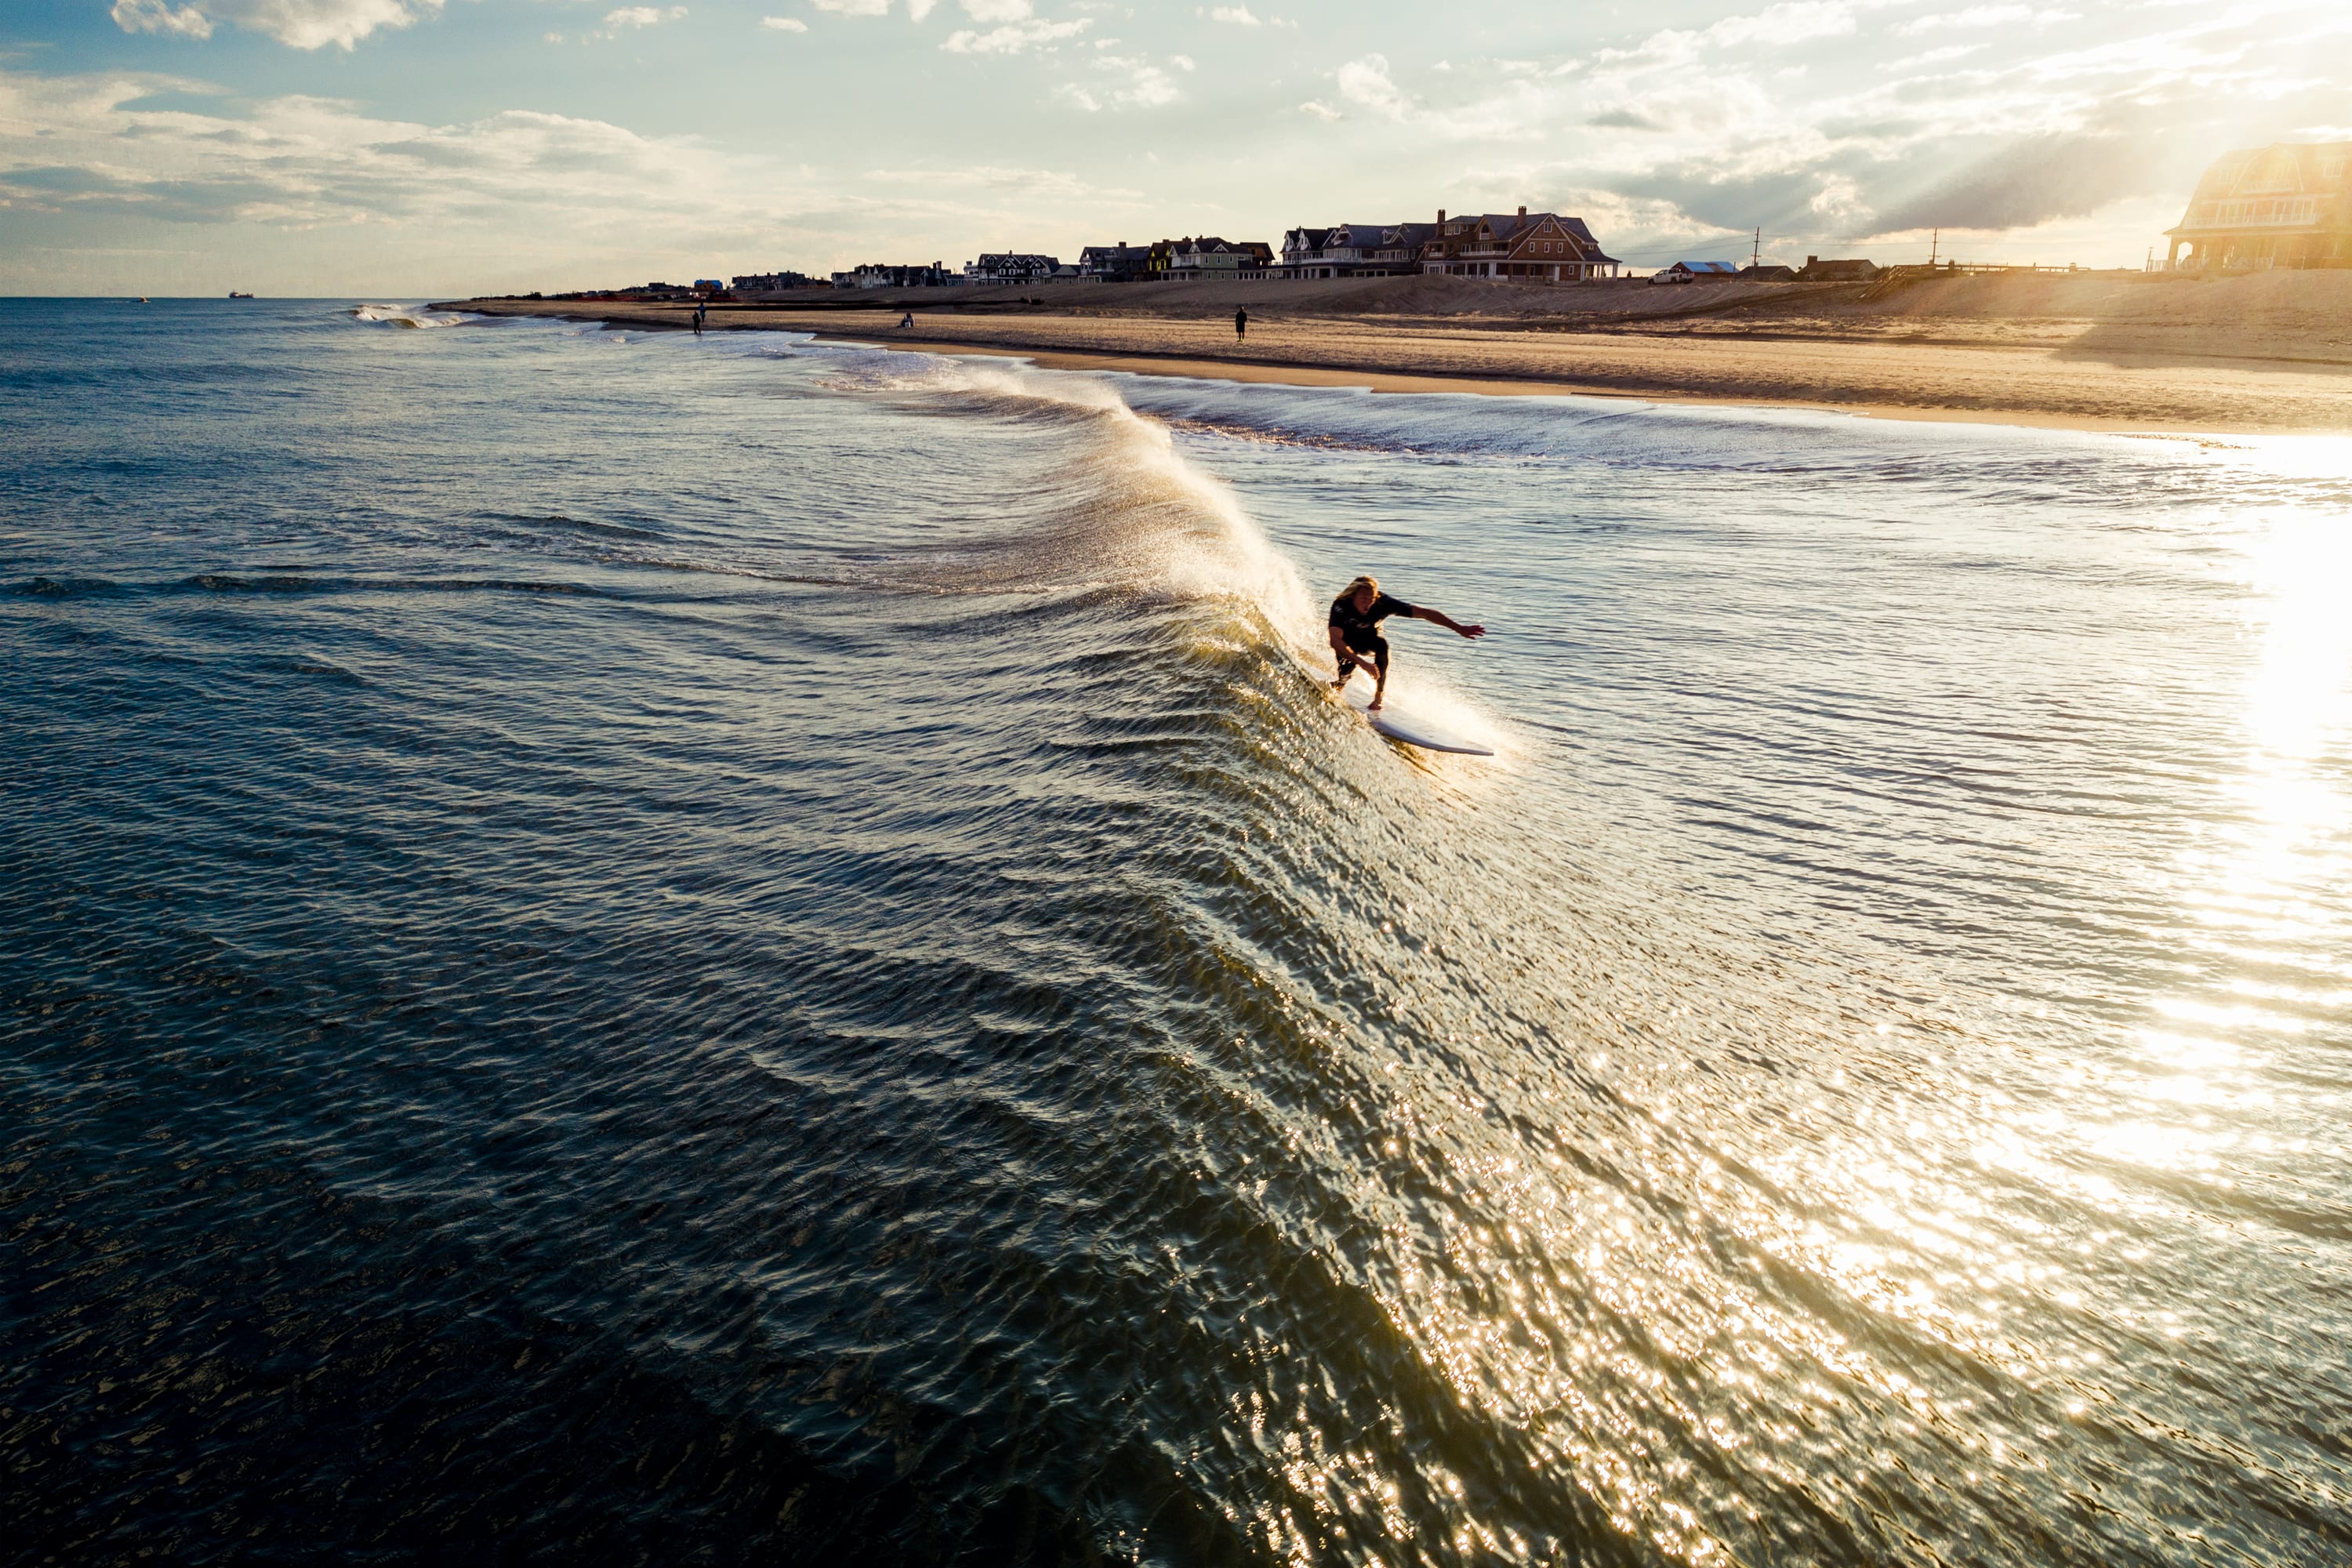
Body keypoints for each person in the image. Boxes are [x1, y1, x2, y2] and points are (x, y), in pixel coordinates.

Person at [1327, 575, 1483, 711]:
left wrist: (1458, 628)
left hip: (1369, 640)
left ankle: (1379, 696)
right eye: (1363, 599)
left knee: (1381, 645)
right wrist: (1362, 663)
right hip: (1347, 642)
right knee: (1346, 669)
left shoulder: (1383, 603)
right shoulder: (1341, 605)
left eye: (1371, 599)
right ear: (1353, 596)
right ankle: (1340, 684)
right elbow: (1335, 641)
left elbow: (1425, 613)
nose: (1367, 603)